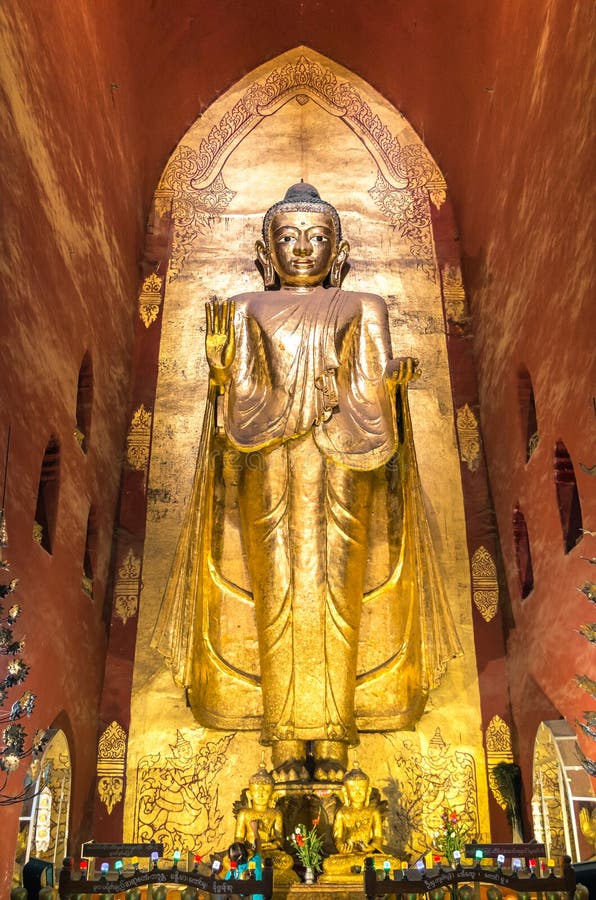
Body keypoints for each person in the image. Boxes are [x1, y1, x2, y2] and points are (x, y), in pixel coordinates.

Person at [153, 182, 461, 781]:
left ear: (338, 252)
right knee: (278, 595)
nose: (301, 249)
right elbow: (243, 398)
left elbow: (373, 380)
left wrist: (391, 379)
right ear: (265, 251)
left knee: (337, 596)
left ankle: (338, 742)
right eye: (288, 237)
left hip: (345, 457)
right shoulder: (244, 307)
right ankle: (285, 745)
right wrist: (220, 369)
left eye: (317, 237)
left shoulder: (364, 305)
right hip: (267, 462)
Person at [321, 765, 401, 881]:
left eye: (361, 789)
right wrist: (341, 847)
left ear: (368, 791)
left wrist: (371, 847)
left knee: (393, 863)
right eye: (353, 790)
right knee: (329, 864)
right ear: (346, 792)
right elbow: (338, 837)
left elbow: (378, 837)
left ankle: (361, 871)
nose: (358, 793)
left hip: (368, 855)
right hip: (348, 856)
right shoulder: (342, 813)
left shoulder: (373, 812)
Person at [234, 763, 298, 882]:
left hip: (269, 852)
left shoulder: (276, 813)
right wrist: (244, 850)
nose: (261, 794)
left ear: (272, 795)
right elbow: (238, 838)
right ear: (249, 794)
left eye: (266, 791)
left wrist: (275, 844)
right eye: (256, 791)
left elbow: (280, 838)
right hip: (249, 852)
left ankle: (255, 872)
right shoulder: (244, 813)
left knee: (287, 861)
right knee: (232, 860)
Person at [225, 820, 263, 900]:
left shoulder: (231, 874)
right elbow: (258, 844)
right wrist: (255, 830)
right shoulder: (255, 861)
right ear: (246, 852)